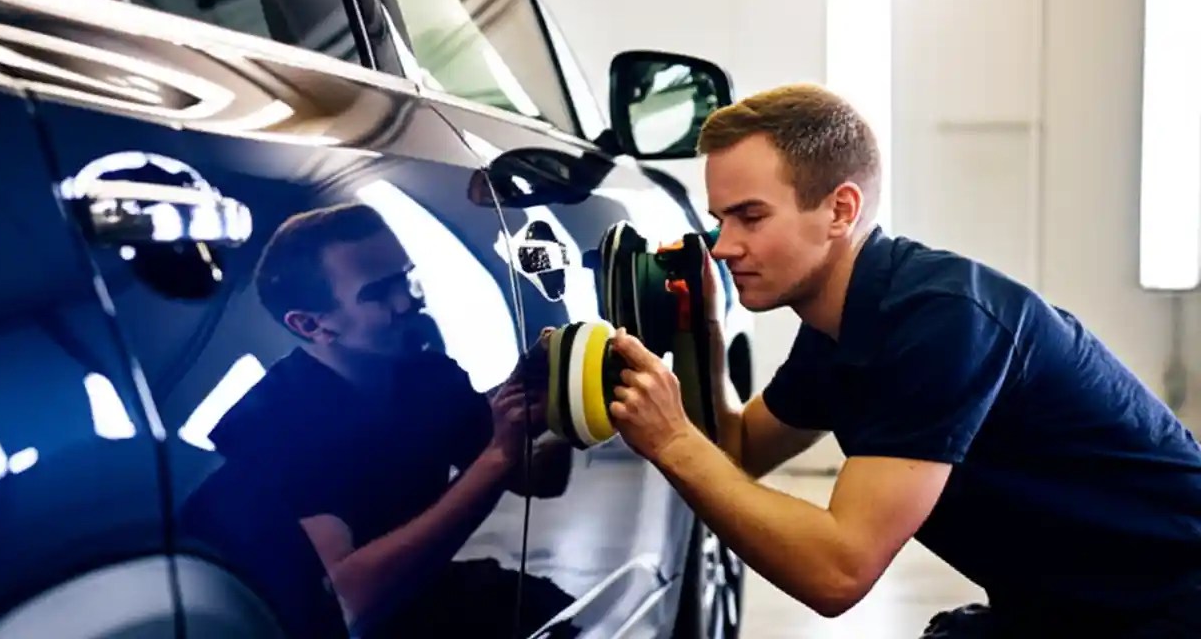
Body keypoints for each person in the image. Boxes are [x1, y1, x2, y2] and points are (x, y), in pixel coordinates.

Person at [604, 83, 1201, 637]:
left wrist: (673, 441)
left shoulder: (940, 321)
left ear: (840, 209)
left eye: (751, 217)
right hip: (1064, 608)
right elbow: (738, 454)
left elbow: (836, 572)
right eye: (719, 220)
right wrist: (703, 328)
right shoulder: (839, 323)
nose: (725, 246)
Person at [191, 202, 574, 638]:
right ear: (309, 325)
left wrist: (564, 406)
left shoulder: (427, 376)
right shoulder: (270, 426)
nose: (407, 301)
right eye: (377, 293)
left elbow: (535, 479)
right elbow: (349, 601)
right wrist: (498, 456)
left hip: (414, 599)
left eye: (406, 279)